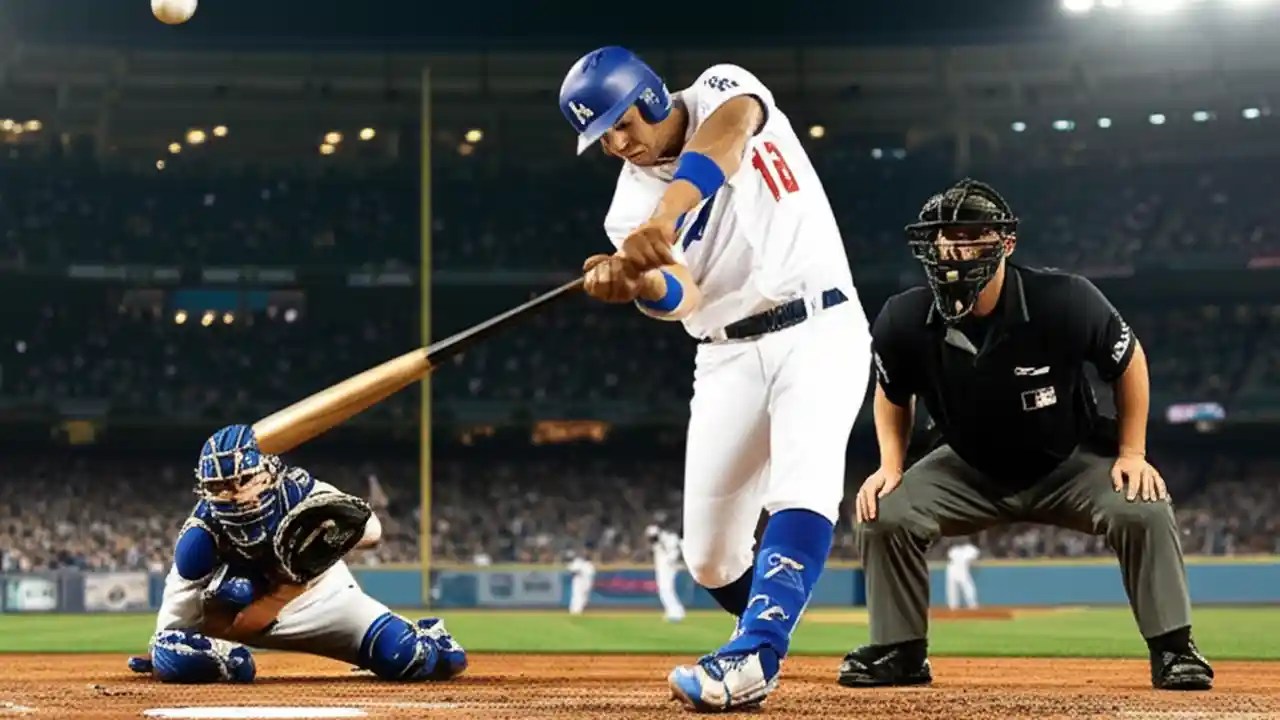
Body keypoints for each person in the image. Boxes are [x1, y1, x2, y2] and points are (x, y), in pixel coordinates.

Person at [559, 46, 870, 712]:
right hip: (726, 353)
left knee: (801, 481)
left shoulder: (720, 86)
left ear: (649, 95)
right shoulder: (624, 213)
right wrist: (638, 283)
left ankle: (757, 653)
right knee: (709, 559)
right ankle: (761, 624)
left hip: (820, 324)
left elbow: (727, 137)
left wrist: (662, 222)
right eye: (602, 136)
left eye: (622, 123)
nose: (618, 144)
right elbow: (685, 299)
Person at [836, 179, 1213, 692]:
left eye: (971, 234)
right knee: (883, 512)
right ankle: (901, 652)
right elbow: (891, 392)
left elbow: (1128, 361)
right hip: (965, 467)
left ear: (1006, 243)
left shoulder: (1065, 299)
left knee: (1144, 506)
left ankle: (1174, 650)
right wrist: (889, 465)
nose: (956, 248)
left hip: (1068, 461)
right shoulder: (903, 317)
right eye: (947, 236)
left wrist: (1132, 452)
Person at [125, 424, 467, 684]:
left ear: (264, 473)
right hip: (236, 614)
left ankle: (430, 635)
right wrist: (168, 652)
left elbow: (372, 531)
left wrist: (323, 549)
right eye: (218, 488)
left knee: (408, 658)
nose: (232, 495)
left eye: (241, 481)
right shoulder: (199, 539)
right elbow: (172, 626)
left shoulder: (300, 492)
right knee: (184, 652)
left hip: (318, 596)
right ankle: (228, 659)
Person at [647, 523, 687, 622]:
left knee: (666, 588)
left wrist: (670, 561)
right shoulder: (657, 543)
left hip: (669, 566)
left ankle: (676, 612)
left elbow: (675, 551)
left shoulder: (669, 538)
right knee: (663, 589)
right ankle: (672, 610)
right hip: (661, 567)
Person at [944, 538, 979, 610]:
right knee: (952, 591)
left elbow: (974, 560)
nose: (960, 540)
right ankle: (953, 608)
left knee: (969, 589)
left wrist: (972, 563)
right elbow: (949, 559)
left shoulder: (971, 549)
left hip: (963, 571)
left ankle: (973, 607)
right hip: (952, 570)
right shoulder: (953, 549)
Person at [567, 550, 596, 615]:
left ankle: (578, 611)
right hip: (578, 582)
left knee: (583, 599)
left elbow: (591, 575)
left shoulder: (589, 565)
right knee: (577, 597)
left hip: (586, 583)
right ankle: (575, 612)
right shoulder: (578, 562)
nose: (585, 555)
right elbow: (572, 571)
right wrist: (577, 571)